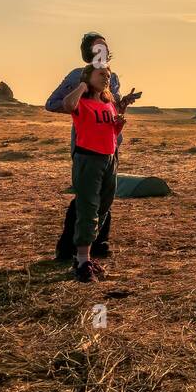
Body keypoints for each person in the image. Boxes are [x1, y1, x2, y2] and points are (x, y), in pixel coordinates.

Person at [46, 33, 141, 261]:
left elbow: (108, 105)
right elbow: (53, 103)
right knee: (86, 196)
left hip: (110, 143)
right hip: (86, 145)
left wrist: (121, 104)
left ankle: (99, 242)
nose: (103, 52)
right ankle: (68, 246)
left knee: (106, 195)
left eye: (105, 48)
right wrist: (80, 108)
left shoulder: (112, 77)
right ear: (89, 53)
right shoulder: (78, 75)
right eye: (98, 48)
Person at [62, 66, 131, 281]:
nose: (106, 78)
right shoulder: (81, 101)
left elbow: (109, 130)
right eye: (101, 74)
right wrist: (83, 85)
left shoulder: (108, 103)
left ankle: (85, 255)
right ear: (88, 76)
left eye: (108, 76)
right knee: (88, 206)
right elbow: (67, 105)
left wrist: (118, 124)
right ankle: (82, 262)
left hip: (109, 159)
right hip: (88, 159)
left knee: (104, 206)